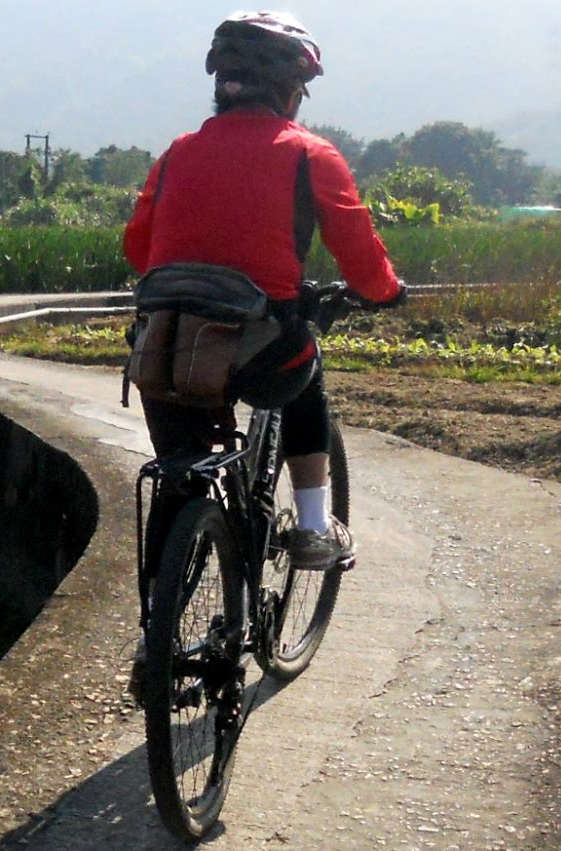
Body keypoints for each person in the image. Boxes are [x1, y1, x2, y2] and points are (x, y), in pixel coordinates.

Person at [123, 10, 406, 571]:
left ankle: (156, 626)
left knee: (182, 479)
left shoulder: (177, 152)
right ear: (289, 91)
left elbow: (139, 249)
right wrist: (388, 293)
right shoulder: (310, 154)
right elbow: (361, 261)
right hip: (261, 352)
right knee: (307, 377)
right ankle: (313, 528)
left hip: (165, 349)